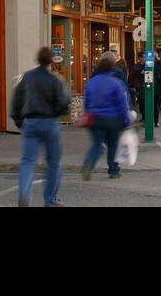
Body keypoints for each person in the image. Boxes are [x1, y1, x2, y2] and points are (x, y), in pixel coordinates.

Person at [13, 46, 71, 207]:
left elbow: (17, 100)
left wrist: (18, 121)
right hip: (50, 121)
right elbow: (63, 102)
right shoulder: (55, 79)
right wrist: (58, 111)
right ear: (51, 60)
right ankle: (50, 199)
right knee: (53, 162)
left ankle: (24, 195)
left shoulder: (27, 78)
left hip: (30, 122)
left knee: (27, 161)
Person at [81, 53, 131, 179]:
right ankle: (113, 170)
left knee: (97, 143)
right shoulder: (115, 83)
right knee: (113, 144)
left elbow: (86, 101)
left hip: (95, 117)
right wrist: (126, 120)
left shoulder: (91, 82)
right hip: (112, 118)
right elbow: (122, 103)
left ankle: (88, 165)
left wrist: (88, 114)